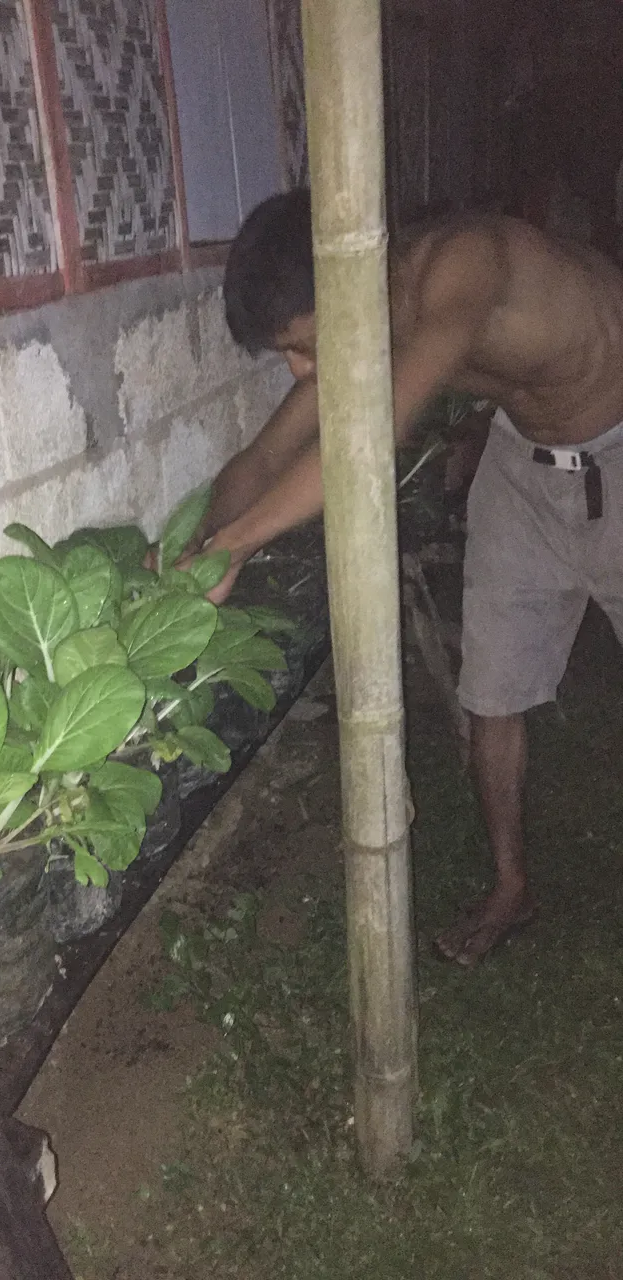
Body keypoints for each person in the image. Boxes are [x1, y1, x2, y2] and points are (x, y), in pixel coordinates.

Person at [191, 188, 623, 967]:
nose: (297, 367)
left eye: (300, 344)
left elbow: (370, 432)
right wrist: (198, 548)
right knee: (491, 691)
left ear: (352, 283)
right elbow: (262, 457)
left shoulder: (464, 264)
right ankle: (509, 885)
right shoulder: (367, 315)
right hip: (522, 468)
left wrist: (237, 547)